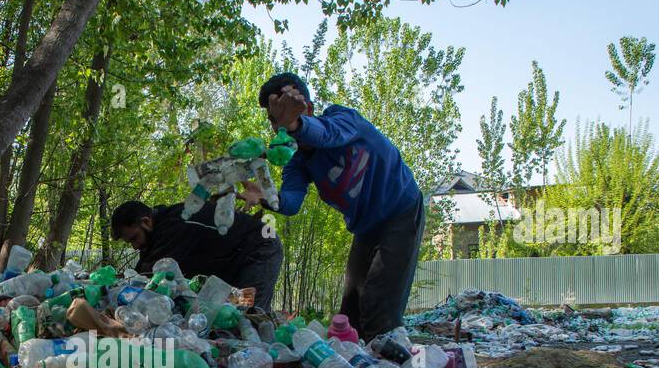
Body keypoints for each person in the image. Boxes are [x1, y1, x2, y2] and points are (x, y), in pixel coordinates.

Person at [240, 72, 425, 343]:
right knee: (349, 315)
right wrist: (266, 195)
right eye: (273, 119)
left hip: (401, 211)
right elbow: (290, 203)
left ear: (308, 109)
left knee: (379, 308)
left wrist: (295, 123)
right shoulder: (298, 163)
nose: (277, 124)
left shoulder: (343, 119)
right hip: (366, 228)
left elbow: (325, 134)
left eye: (283, 114)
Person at [110, 199, 284, 313]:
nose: (134, 246)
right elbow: (145, 270)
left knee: (249, 311)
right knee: (227, 310)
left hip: (260, 245)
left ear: (146, 222)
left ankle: (260, 360)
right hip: (231, 257)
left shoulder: (177, 222)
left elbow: (150, 275)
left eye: (134, 238)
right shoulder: (159, 231)